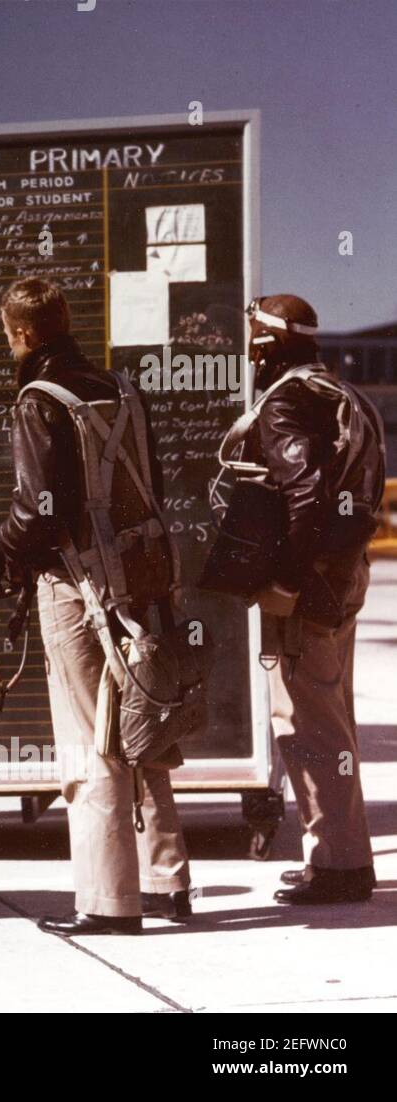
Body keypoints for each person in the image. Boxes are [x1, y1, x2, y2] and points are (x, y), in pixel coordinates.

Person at [0, 278, 192, 936]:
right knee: (147, 725)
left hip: (80, 589)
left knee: (90, 741)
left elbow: (39, 514)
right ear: (64, 322)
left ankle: (107, 901)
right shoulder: (123, 390)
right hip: (144, 578)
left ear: (23, 334)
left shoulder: (39, 401)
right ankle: (165, 881)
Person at [235, 295, 384, 904]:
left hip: (311, 583)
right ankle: (345, 856)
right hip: (346, 574)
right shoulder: (346, 396)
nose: (248, 354)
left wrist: (288, 583)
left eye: (252, 342)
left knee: (306, 722)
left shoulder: (288, 400)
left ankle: (337, 867)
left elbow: (302, 495)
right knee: (333, 715)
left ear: (268, 345)